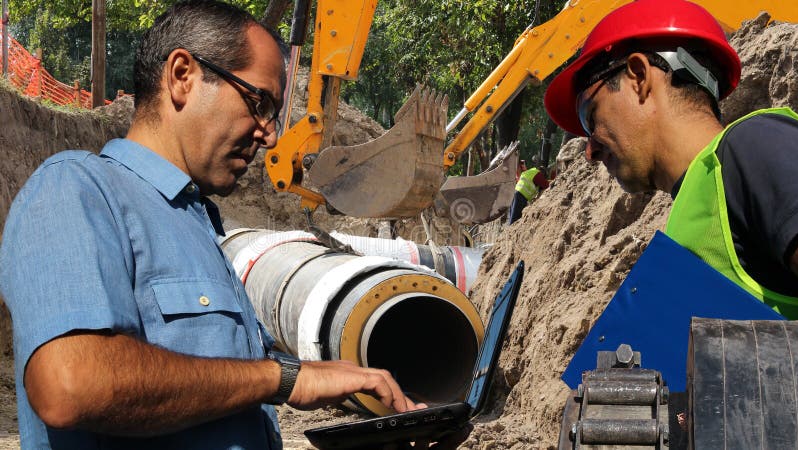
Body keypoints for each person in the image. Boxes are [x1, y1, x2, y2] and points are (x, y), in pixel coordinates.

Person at [0, 2, 468, 449]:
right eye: (259, 102)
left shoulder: (199, 226)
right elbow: (70, 386)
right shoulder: (76, 189)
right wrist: (285, 377)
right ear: (182, 76)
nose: (268, 134)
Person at [544, 0, 798, 317]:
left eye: (589, 118)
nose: (590, 150)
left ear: (638, 77)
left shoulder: (752, 145)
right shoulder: (697, 203)